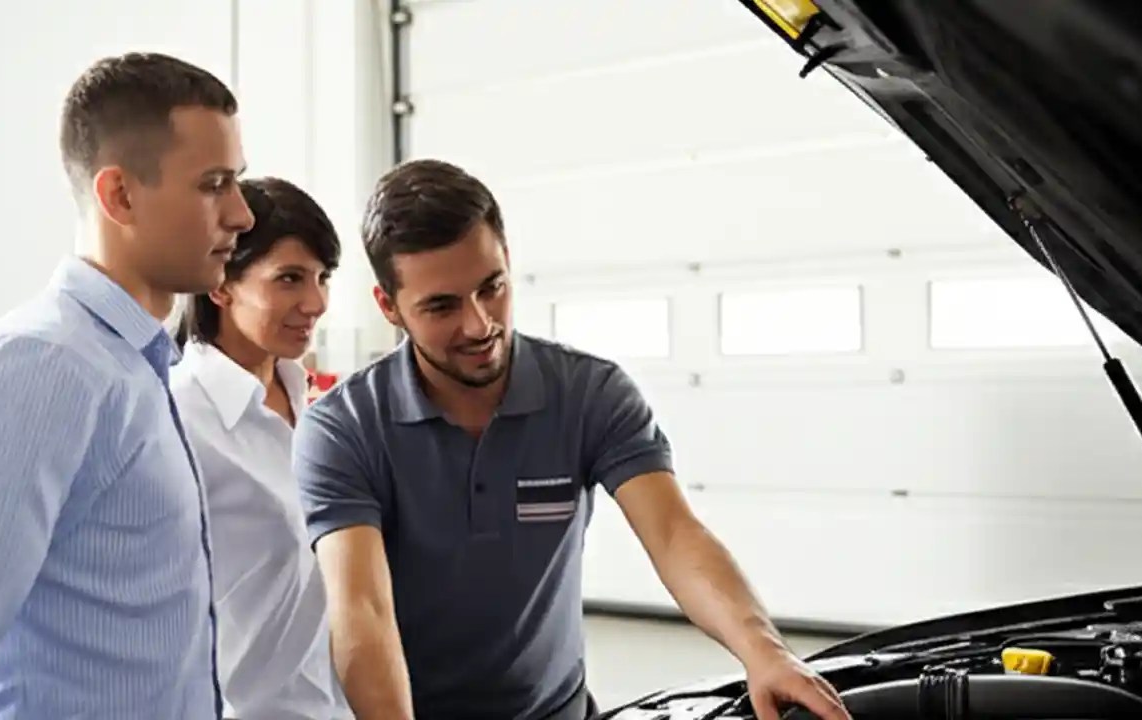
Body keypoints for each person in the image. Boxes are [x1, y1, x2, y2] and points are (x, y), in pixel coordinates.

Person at [293, 159, 852, 720]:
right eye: (442, 306)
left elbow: (674, 534)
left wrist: (765, 651)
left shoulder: (590, 394)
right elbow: (361, 611)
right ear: (389, 306)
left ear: (508, 262)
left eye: (492, 288)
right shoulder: (344, 430)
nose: (479, 324)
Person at [0, 52, 253, 718]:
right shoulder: (38, 370)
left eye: (237, 181)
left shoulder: (138, 368)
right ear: (119, 194)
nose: (241, 214)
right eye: (214, 184)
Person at [170, 176, 351, 720]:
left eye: (322, 277)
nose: (315, 302)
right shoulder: (176, 419)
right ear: (220, 284)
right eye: (289, 279)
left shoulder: (327, 411)